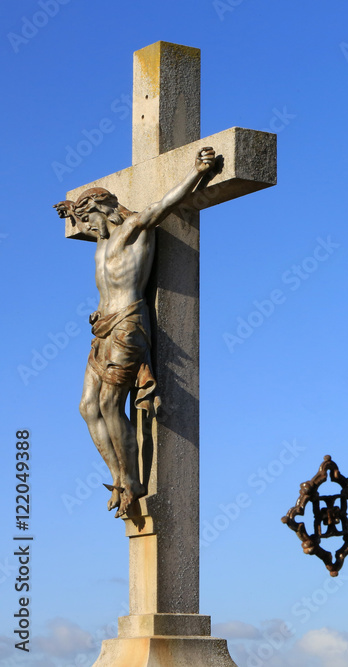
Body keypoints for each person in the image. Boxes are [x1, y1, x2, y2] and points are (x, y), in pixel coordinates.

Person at [54, 147, 216, 517]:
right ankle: (117, 475)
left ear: (104, 208)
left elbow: (165, 204)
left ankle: (131, 480)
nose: (87, 228)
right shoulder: (101, 242)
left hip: (128, 325)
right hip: (102, 331)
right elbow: (87, 227)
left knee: (110, 404)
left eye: (89, 219)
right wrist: (72, 214)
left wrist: (198, 172)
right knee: (86, 407)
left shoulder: (133, 229)